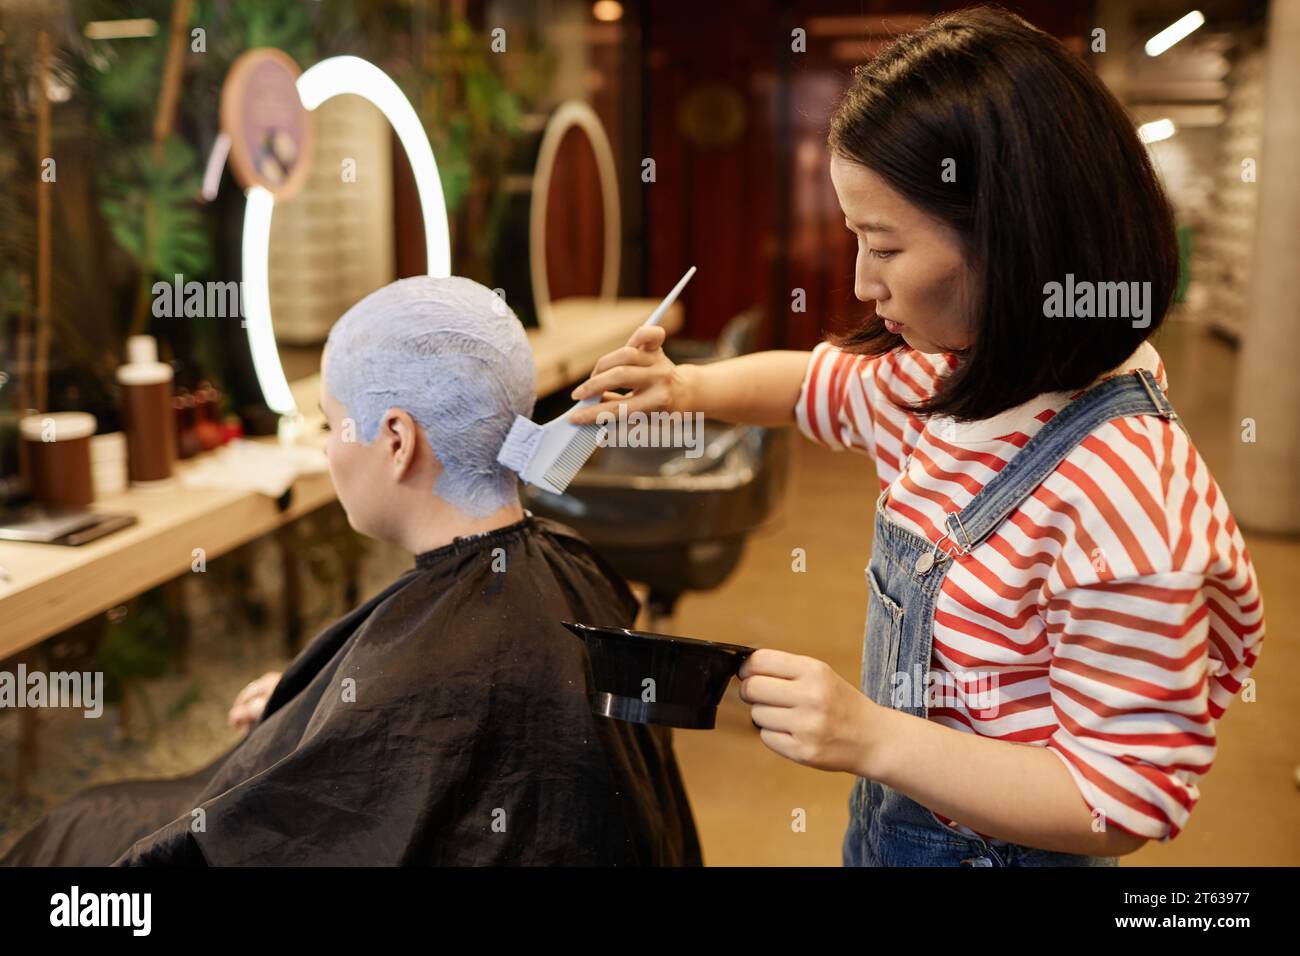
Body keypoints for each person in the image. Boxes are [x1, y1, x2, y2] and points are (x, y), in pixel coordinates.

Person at [567, 7, 1264, 866]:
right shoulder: (951, 380)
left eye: (884, 246)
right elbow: (810, 385)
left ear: (1014, 239)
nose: (863, 284)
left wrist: (871, 739)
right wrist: (687, 387)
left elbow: (1119, 800)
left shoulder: (1125, 493)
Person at [3, 275, 701, 866]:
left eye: (328, 422)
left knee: (76, 830)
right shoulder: (571, 565)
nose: (329, 452)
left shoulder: (437, 662)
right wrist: (322, 698)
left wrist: (340, 713)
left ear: (395, 440)